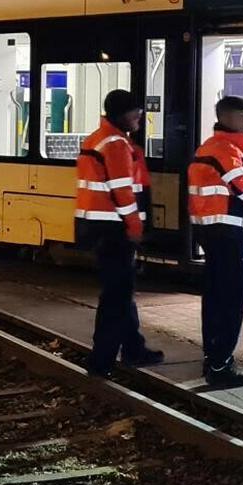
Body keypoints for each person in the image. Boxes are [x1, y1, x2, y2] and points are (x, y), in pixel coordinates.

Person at [76, 89, 165, 377]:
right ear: (120, 114)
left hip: (98, 226)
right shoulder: (115, 144)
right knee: (116, 297)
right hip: (115, 229)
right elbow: (123, 191)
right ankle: (101, 362)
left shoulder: (98, 138)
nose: (139, 116)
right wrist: (136, 227)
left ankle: (133, 348)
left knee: (121, 292)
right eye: (135, 112)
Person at [189, 96, 243, 388]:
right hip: (230, 234)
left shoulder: (206, 146)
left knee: (215, 298)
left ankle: (213, 358)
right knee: (231, 301)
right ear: (229, 118)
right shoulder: (226, 150)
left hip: (210, 233)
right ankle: (221, 366)